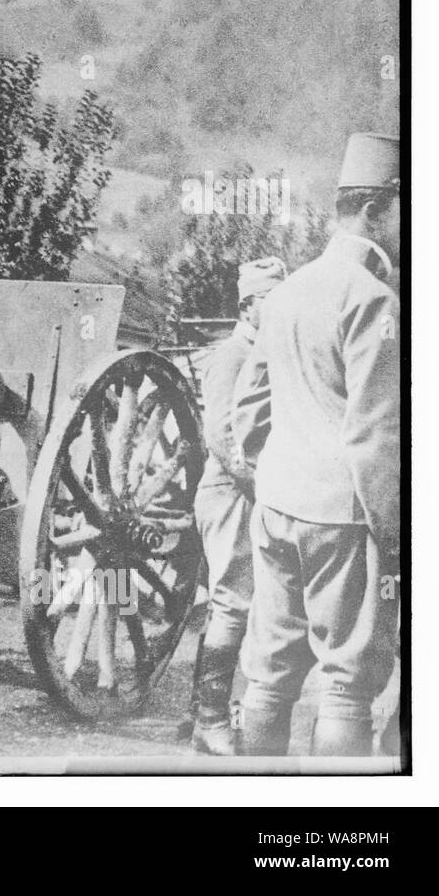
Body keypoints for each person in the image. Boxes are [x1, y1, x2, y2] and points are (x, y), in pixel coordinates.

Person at [232, 133, 402, 756]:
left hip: (277, 505)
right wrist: (396, 535)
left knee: (269, 677)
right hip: (344, 514)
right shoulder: (375, 300)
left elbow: (247, 412)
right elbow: (376, 435)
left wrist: (268, 476)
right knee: (347, 687)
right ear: (378, 210)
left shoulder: (286, 292)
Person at [189, 256, 287, 755]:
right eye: (271, 300)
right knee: (232, 602)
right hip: (230, 493)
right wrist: (260, 488)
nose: (279, 309)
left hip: (255, 492)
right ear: (248, 305)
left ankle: (215, 715)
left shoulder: (271, 352)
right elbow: (223, 439)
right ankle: (209, 722)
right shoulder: (229, 356)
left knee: (254, 604)